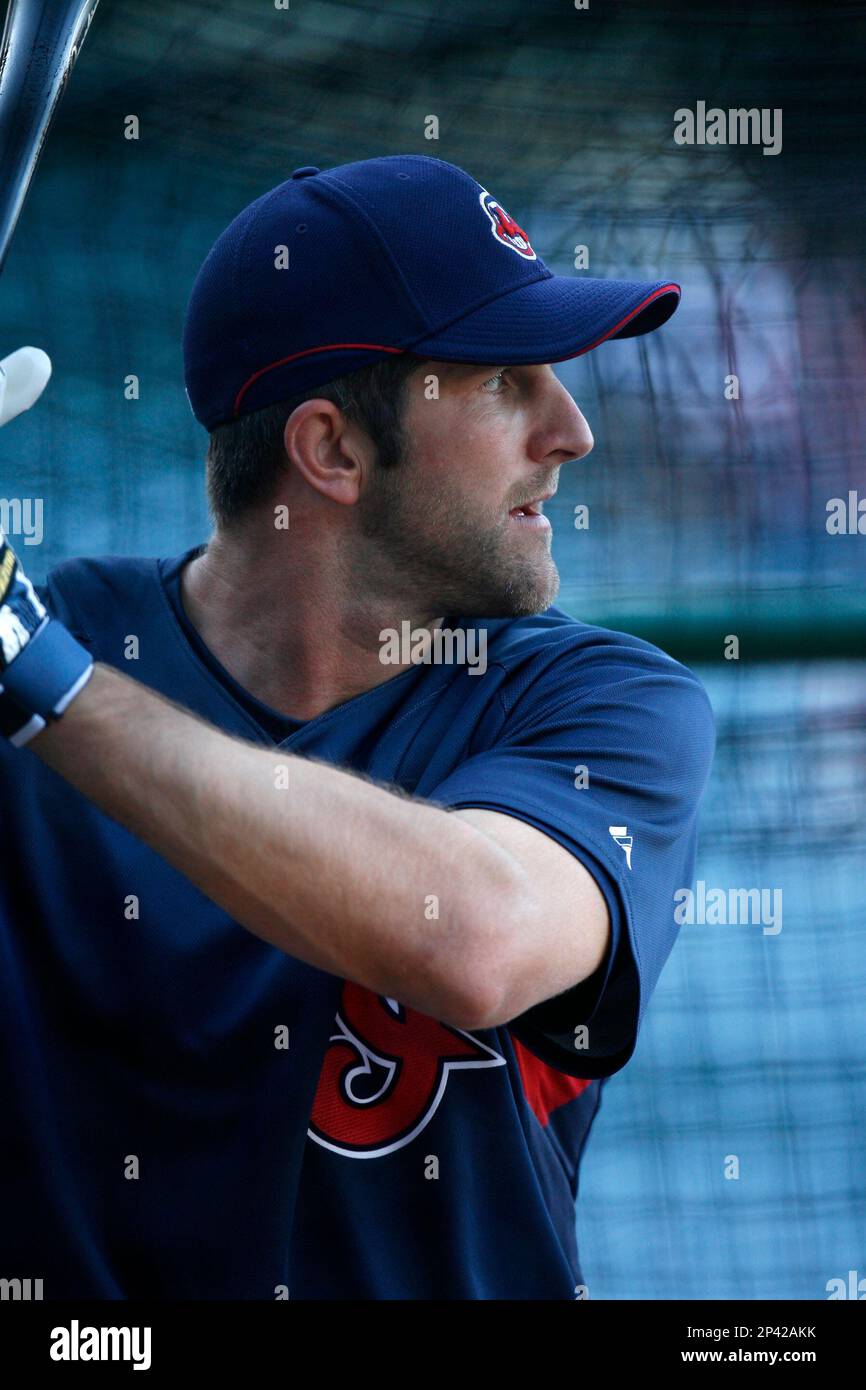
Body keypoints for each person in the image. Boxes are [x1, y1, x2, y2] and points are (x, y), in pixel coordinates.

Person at [0, 154, 714, 1299]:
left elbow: (474, 941)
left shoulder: (598, 703)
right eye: (502, 380)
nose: (570, 430)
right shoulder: (61, 638)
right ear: (331, 450)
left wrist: (39, 682)